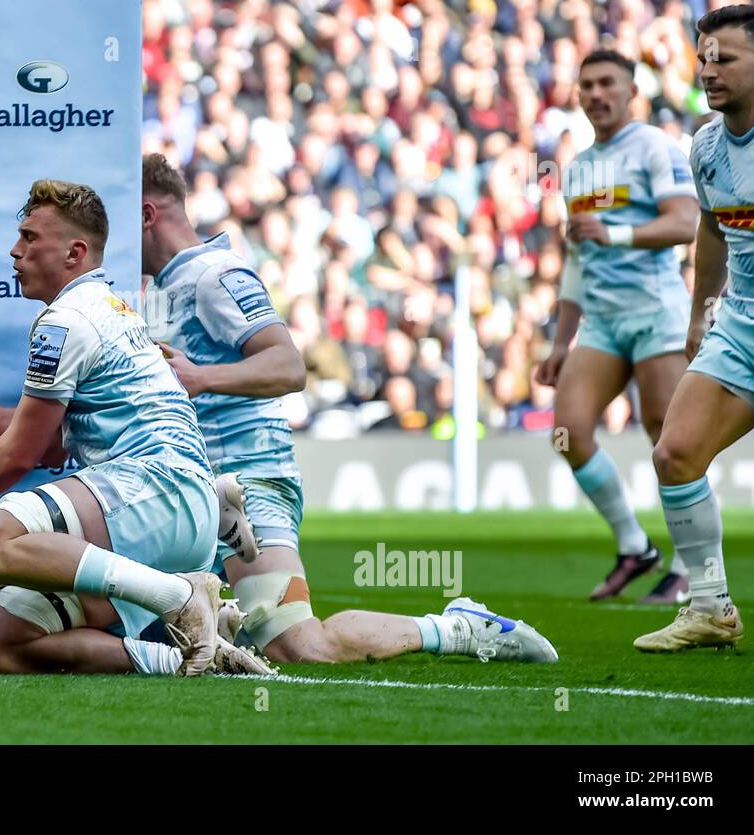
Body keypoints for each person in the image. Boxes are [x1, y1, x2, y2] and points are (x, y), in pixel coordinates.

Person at [140, 153, 559, 664]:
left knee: (297, 644)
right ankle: (231, 622)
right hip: (187, 488)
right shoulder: (158, 287)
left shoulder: (214, 275)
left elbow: (288, 365)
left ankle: (457, 628)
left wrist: (202, 378)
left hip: (246, 483)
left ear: (146, 214)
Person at [0, 179, 263, 677]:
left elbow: (18, 455)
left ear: (75, 252)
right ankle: (192, 657)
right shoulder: (108, 308)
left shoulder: (65, 322)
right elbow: (50, 447)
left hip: (151, 490)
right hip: (173, 508)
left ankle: (178, 596)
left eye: (31, 238)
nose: (15, 250)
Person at [535, 50, 699, 603]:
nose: (597, 94)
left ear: (632, 91)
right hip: (602, 322)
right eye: (587, 85)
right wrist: (561, 341)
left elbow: (684, 222)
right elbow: (578, 257)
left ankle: (689, 565)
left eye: (608, 83)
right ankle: (635, 546)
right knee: (568, 431)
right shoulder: (578, 166)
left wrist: (615, 234)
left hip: (656, 312)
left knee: (669, 438)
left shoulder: (654, 145)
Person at [635, 4, 754, 652]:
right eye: (703, 57)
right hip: (741, 321)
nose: (709, 70)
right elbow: (712, 226)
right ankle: (710, 604)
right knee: (674, 451)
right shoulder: (706, 145)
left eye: (725, 58)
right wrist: (698, 313)